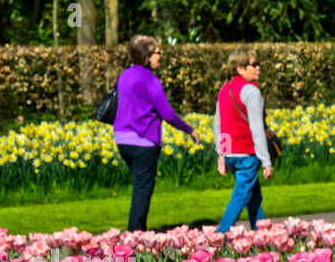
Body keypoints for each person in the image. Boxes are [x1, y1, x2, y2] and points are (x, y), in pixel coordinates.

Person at [112, 34, 203, 232]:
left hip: (122, 139)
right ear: (146, 55)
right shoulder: (150, 80)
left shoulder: (124, 75)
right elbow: (167, 114)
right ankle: (135, 237)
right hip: (143, 141)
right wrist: (190, 130)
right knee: (142, 190)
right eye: (157, 53)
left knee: (140, 187)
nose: (160, 56)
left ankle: (137, 232)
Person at [215, 46, 274, 234]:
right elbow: (257, 129)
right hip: (246, 154)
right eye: (253, 65)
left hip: (231, 154)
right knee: (240, 197)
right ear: (240, 68)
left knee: (254, 197)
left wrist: (222, 154)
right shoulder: (251, 91)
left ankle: (262, 236)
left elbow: (219, 125)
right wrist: (266, 161)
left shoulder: (224, 90)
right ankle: (218, 237)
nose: (258, 68)